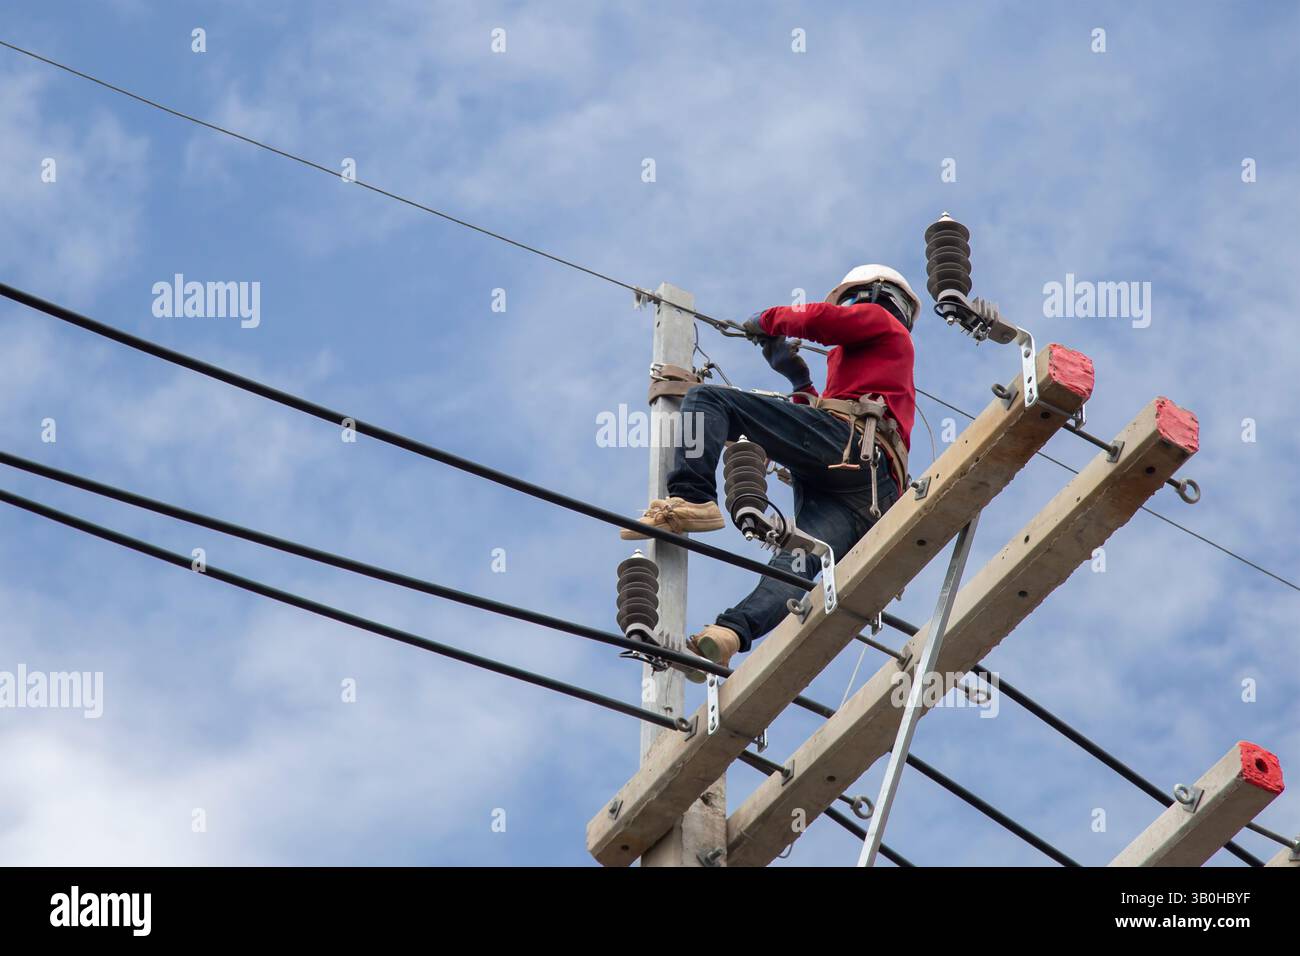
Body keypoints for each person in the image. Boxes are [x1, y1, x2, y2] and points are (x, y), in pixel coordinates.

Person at [621, 265, 920, 672]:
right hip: (864, 491)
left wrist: (766, 320)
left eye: (851, 300)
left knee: (708, 401)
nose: (848, 307)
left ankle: (692, 499)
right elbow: (816, 425)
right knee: (798, 562)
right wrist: (799, 381)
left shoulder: (881, 321)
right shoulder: (876, 363)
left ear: (876, 295)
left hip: (854, 452)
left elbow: (821, 321)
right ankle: (729, 635)